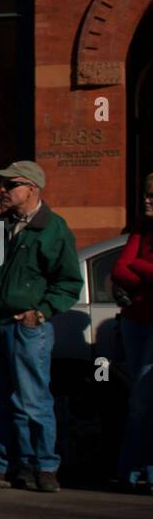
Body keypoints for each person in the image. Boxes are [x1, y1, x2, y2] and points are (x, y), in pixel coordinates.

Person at [0, 160, 82, 493]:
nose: (4, 191)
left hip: (28, 329)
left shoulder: (54, 229)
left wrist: (39, 313)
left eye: (12, 185)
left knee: (33, 400)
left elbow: (69, 283)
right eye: (3, 185)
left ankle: (44, 465)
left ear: (32, 189)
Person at [109, 172, 153, 491]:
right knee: (140, 398)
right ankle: (132, 470)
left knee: (143, 398)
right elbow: (118, 267)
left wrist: (137, 269)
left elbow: (131, 267)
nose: (147, 200)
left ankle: (137, 469)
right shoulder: (141, 227)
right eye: (146, 194)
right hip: (135, 320)